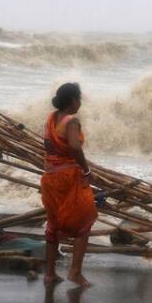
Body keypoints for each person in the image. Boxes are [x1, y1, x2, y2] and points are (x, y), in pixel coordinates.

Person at [41, 82, 98, 287]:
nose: (80, 103)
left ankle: (49, 273)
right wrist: (87, 170)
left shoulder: (50, 119)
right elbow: (74, 147)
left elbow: (49, 147)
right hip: (68, 179)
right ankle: (75, 272)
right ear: (73, 100)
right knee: (85, 219)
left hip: (49, 178)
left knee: (53, 224)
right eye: (79, 99)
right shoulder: (71, 122)